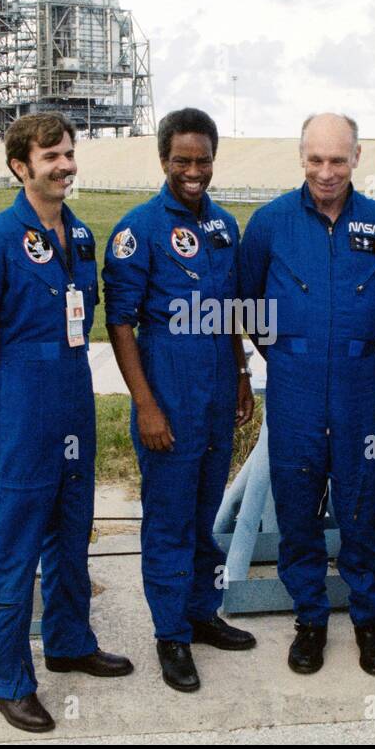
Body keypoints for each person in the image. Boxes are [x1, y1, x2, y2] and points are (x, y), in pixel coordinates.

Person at [0, 112, 132, 734]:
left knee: (72, 528)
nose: (65, 164)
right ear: (20, 167)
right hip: (22, 398)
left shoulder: (79, 238)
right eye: (50, 156)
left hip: (74, 390)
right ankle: (5, 680)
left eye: (69, 153)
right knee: (16, 540)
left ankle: (70, 641)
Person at [238, 113, 375, 676]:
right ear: (300, 157)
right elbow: (246, 304)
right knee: (298, 505)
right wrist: (283, 353)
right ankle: (310, 619)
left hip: (358, 386)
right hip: (295, 385)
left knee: (362, 504)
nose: (326, 172)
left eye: (337, 159)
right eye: (315, 159)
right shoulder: (269, 223)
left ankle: (368, 619)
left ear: (357, 157)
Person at [102, 108, 257, 693]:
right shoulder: (137, 229)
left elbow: (233, 307)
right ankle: (170, 634)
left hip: (217, 383)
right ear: (163, 159)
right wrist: (146, 404)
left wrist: (241, 373)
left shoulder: (222, 227)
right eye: (182, 160)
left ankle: (199, 611)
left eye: (203, 160)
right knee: (168, 518)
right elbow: (120, 323)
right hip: (168, 381)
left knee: (204, 514)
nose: (194, 171)